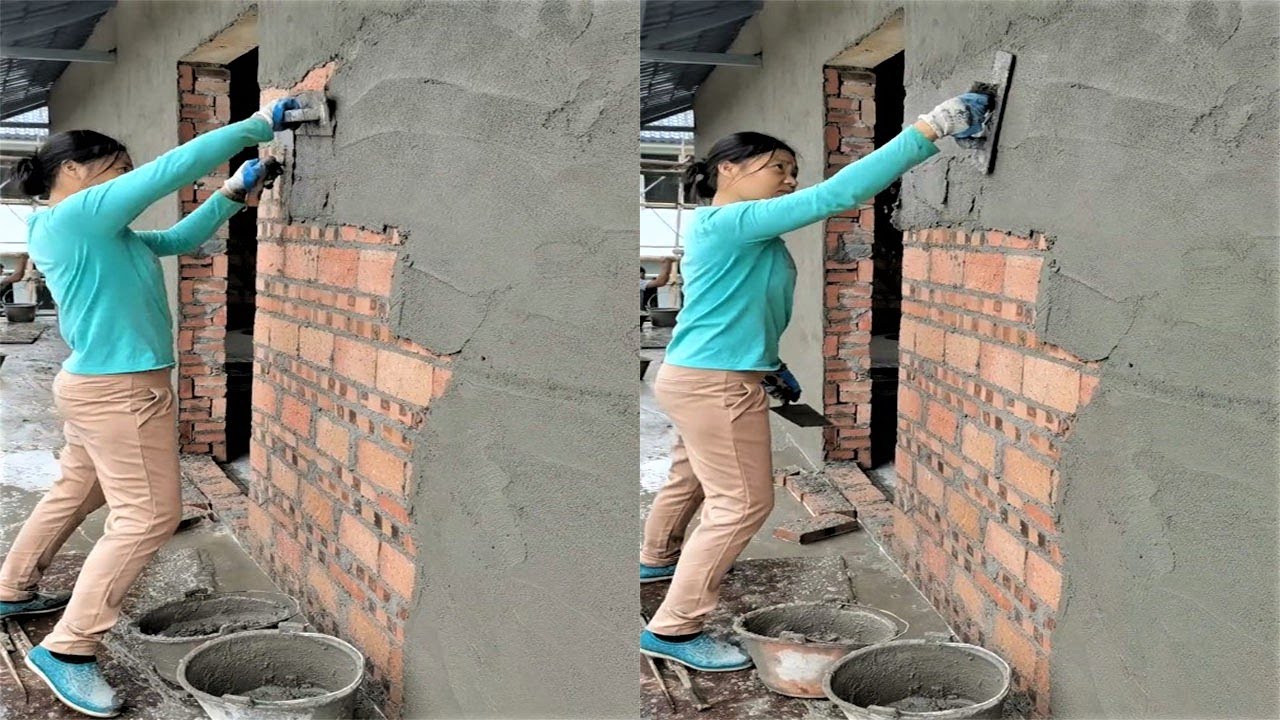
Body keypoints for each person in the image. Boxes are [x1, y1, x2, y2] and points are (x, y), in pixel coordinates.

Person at [638, 92, 991, 671]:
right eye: (776, 167)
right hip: (713, 383)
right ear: (728, 168)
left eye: (791, 172)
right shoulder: (735, 221)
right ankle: (674, 631)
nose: (787, 179)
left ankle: (656, 560)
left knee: (692, 475)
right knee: (744, 502)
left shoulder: (728, 230)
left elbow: (730, 307)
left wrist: (767, 363)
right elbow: (838, 195)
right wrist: (930, 129)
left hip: (696, 371)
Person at [0, 96, 299, 717]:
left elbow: (180, 238)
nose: (127, 178)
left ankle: (11, 588)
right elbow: (169, 170)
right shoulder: (75, 215)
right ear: (77, 169)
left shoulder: (95, 231)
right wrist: (257, 126)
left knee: (77, 492)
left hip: (95, 388)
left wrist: (233, 193)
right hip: (121, 392)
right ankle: (70, 649)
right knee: (148, 516)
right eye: (118, 167)